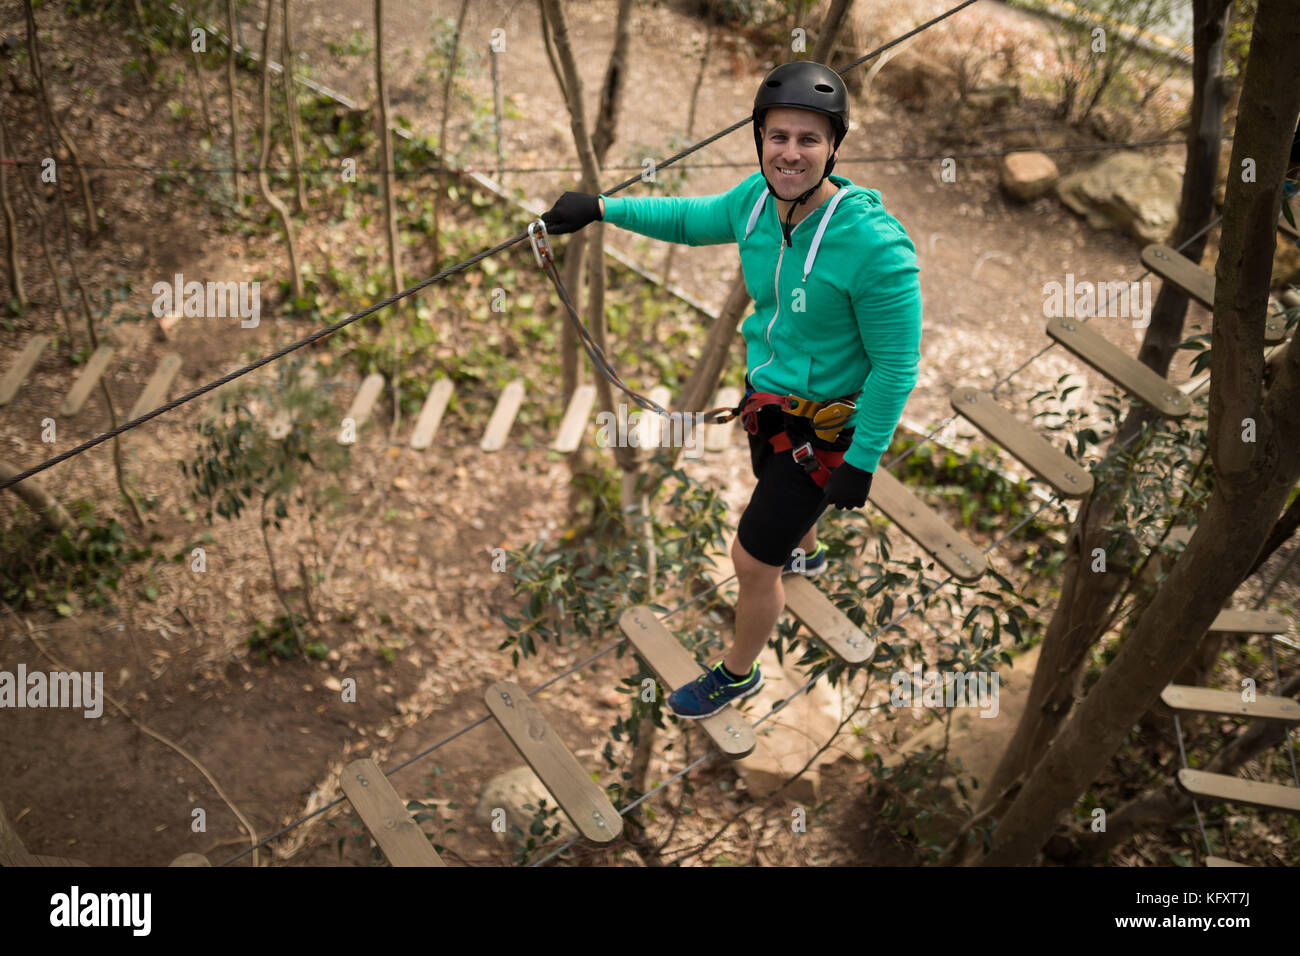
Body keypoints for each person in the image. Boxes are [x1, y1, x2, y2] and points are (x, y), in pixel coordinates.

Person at [541, 60, 922, 719]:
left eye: (809, 139)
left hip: (832, 428)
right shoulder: (756, 203)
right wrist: (601, 208)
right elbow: (691, 220)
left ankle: (738, 673)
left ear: (835, 146)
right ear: (759, 140)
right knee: (776, 495)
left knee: (750, 560)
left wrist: (862, 464)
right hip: (767, 399)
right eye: (778, 137)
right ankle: (802, 551)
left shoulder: (875, 247)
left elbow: (897, 365)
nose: (791, 153)